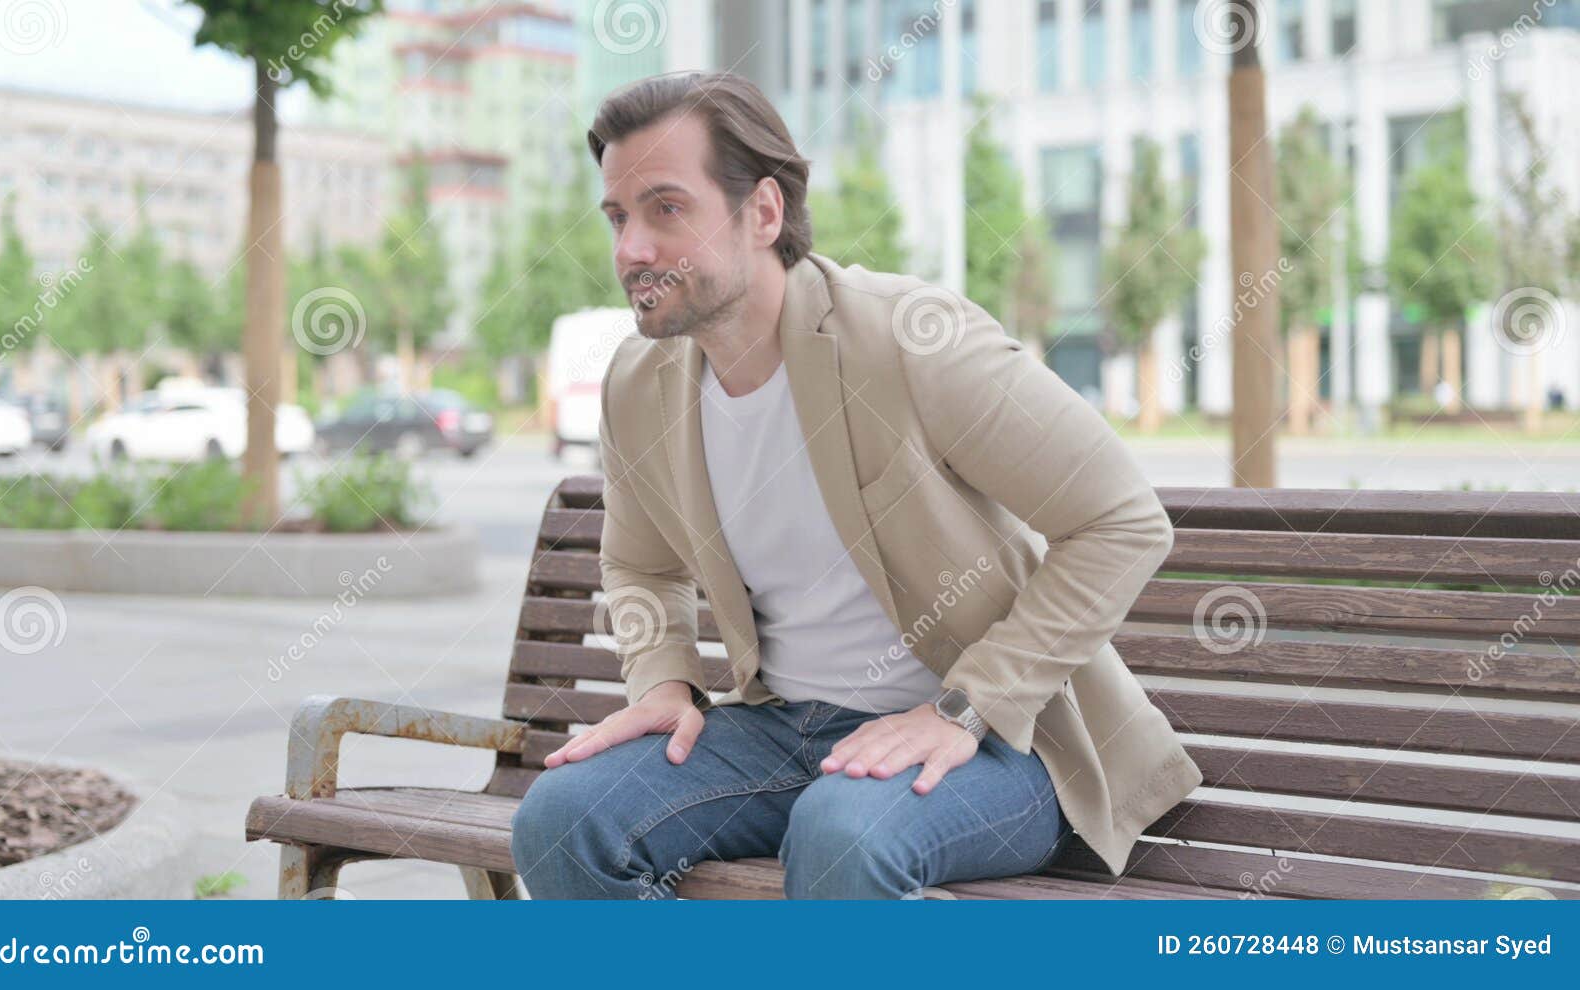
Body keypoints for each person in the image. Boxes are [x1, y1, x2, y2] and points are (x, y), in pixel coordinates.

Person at [510, 71, 1202, 899]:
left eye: (666, 208)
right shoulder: (637, 381)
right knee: (559, 819)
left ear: (763, 212)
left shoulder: (908, 337)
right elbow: (639, 567)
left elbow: (1122, 521)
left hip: (1000, 747)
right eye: (618, 217)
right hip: (779, 730)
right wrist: (660, 678)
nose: (631, 250)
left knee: (842, 833)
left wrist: (966, 706)